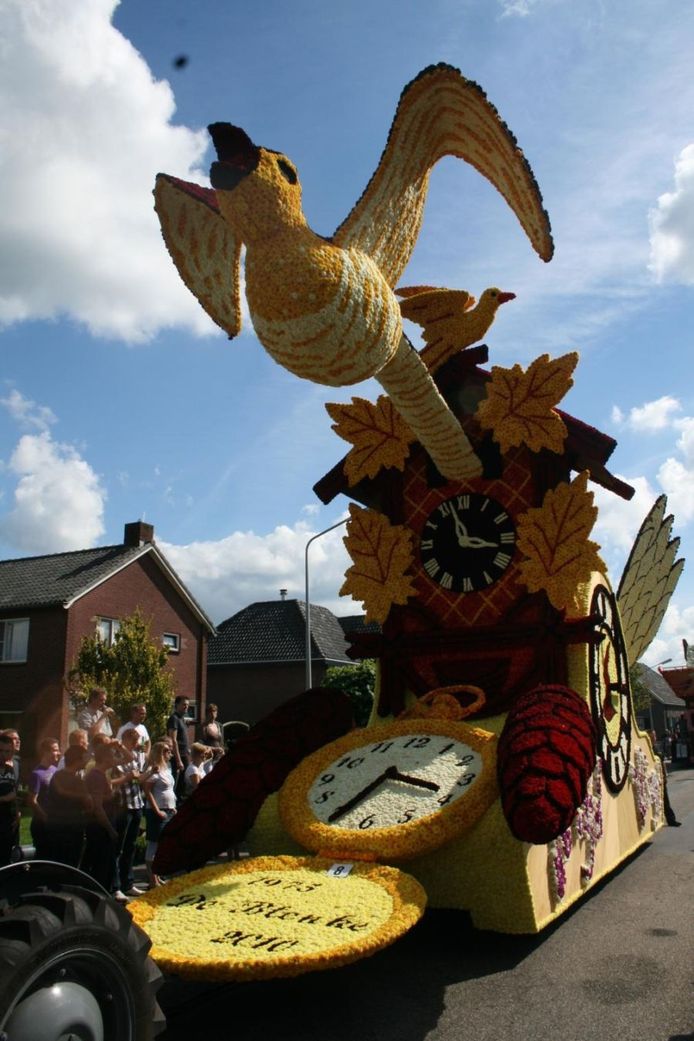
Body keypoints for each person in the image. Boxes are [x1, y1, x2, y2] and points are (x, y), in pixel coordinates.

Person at [112, 727, 147, 897]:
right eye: (133, 741)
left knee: (130, 846)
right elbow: (115, 780)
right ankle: (115, 886)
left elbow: (137, 778)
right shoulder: (116, 757)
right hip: (123, 806)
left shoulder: (134, 757)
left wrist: (146, 774)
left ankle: (128, 882)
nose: (135, 744)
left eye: (136, 741)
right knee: (118, 847)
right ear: (125, 740)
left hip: (136, 803)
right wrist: (129, 777)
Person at [82, 742, 120, 893]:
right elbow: (98, 807)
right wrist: (110, 829)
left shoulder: (102, 775)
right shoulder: (96, 776)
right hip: (99, 828)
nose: (114, 759)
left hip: (104, 824)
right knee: (101, 865)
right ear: (105, 757)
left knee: (106, 864)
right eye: (112, 756)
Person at [44, 745, 92, 866]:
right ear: (77, 759)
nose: (87, 761)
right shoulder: (78, 782)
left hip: (55, 826)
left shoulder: (57, 776)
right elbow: (88, 804)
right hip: (72, 828)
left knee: (56, 863)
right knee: (70, 864)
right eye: (84, 758)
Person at [143, 741, 176, 888]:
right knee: (153, 844)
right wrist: (156, 810)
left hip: (168, 809)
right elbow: (147, 790)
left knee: (161, 845)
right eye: (167, 751)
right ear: (160, 753)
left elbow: (169, 790)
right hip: (157, 811)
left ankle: (157, 877)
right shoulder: (154, 769)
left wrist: (172, 807)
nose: (170, 754)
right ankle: (152, 880)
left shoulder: (166, 769)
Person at [26, 737, 61, 858]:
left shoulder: (55, 770)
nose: (59, 753)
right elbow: (32, 801)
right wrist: (45, 818)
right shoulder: (37, 774)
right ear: (45, 752)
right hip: (41, 824)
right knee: (43, 857)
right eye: (55, 750)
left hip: (55, 821)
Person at [0, 732, 20, 867]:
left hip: (9, 821)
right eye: (0, 751)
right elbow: (9, 796)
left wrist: (17, 812)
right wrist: (4, 798)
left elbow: (15, 791)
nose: (3, 755)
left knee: (6, 859)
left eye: (8, 751)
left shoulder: (13, 767)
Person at [166, 695, 190, 794]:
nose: (186, 706)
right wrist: (178, 760)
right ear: (177, 705)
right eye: (184, 704)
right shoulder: (174, 719)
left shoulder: (182, 719)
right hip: (178, 756)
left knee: (183, 782)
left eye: (187, 705)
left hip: (184, 754)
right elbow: (173, 740)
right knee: (177, 783)